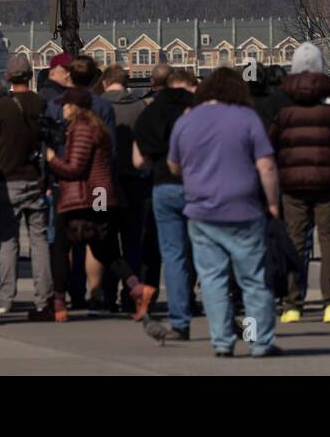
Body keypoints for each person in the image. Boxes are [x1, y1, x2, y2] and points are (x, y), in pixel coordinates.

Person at [167, 67, 282, 358]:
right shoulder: (247, 118)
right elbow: (266, 165)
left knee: (212, 279)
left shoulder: (186, 121)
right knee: (253, 281)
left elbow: (174, 166)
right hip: (243, 208)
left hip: (201, 210)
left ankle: (222, 341)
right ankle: (258, 341)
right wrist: (272, 202)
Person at [45, 86, 154, 323]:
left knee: (61, 247)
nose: (61, 108)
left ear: (73, 107)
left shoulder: (82, 129)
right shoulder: (98, 128)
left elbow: (76, 167)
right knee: (104, 247)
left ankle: (59, 301)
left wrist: (53, 160)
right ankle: (136, 288)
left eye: (65, 104)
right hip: (101, 195)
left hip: (82, 196)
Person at [267, 41, 330, 324]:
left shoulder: (279, 98)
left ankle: (293, 304)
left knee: (295, 241)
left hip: (292, 182)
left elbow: (270, 141)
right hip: (328, 181)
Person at [134, 67, 197, 341]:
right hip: (196, 185)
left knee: (172, 255)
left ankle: (179, 319)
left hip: (163, 185)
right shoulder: (197, 110)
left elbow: (138, 161)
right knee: (204, 251)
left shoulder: (148, 112)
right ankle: (223, 314)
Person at [0, 54, 54, 320]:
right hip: (36, 180)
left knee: (8, 242)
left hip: (7, 181)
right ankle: (43, 300)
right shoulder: (42, 104)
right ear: (30, 76)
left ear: (8, 77)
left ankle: (6, 298)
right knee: (39, 242)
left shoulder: (1, 107)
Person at [100, 65, 150, 313]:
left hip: (105, 182)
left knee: (107, 241)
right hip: (135, 180)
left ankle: (107, 296)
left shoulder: (98, 106)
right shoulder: (140, 107)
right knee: (133, 241)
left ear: (105, 82)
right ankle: (131, 296)